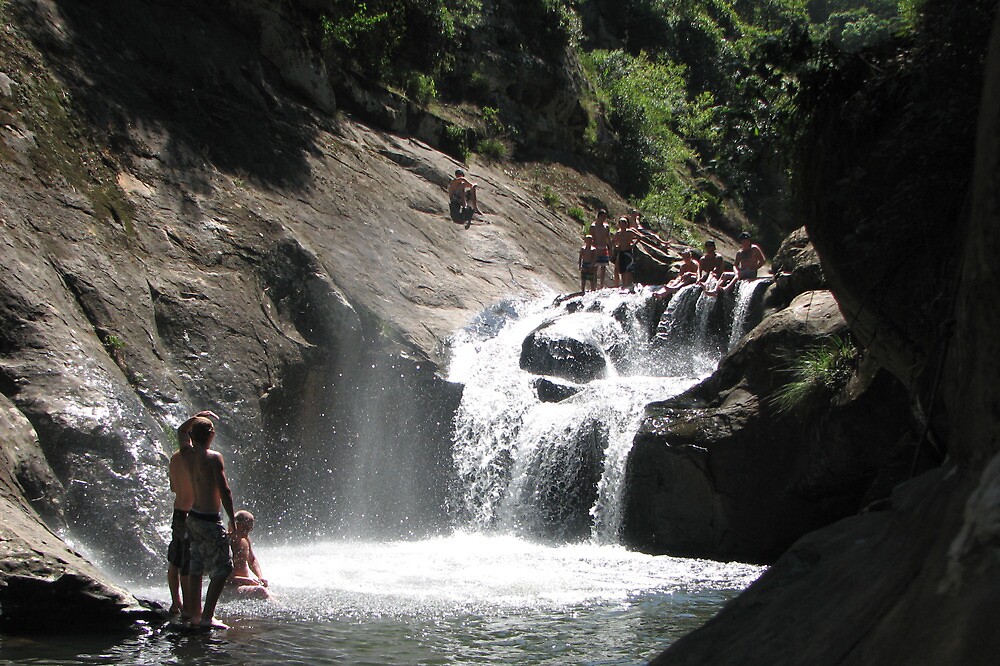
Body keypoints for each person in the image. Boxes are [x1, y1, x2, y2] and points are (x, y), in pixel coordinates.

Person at [181, 414, 237, 630]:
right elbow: (225, 490)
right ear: (211, 435)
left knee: (196, 566)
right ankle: (207, 616)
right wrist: (232, 518)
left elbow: (180, 431)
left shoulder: (186, 454)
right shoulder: (214, 458)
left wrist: (195, 418)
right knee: (223, 568)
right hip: (209, 519)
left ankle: (195, 614)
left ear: (192, 435)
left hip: (192, 518)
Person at [167, 410, 218, 619]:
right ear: (209, 435)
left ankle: (175, 602)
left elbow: (172, 487)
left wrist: (194, 418)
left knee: (175, 559)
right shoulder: (200, 460)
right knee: (190, 562)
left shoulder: (177, 457)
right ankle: (191, 608)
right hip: (194, 513)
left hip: (178, 512)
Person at [227, 510, 270, 600]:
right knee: (260, 591)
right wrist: (247, 580)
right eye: (244, 528)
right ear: (234, 524)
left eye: (250, 529)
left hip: (243, 584)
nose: (247, 532)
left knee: (270, 592)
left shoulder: (245, 539)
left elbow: (252, 559)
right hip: (229, 588)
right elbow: (223, 578)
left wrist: (260, 577)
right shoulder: (225, 543)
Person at [613, 217, 638, 290]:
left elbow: (639, 237)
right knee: (622, 270)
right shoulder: (618, 233)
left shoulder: (629, 232)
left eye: (623, 224)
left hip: (628, 252)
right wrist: (616, 246)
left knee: (629, 269)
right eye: (620, 224)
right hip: (621, 252)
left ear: (626, 224)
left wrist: (633, 244)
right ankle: (624, 285)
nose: (622, 225)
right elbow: (613, 241)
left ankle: (630, 285)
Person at [590, 209, 612, 289]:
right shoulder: (593, 226)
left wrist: (611, 248)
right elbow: (591, 239)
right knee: (595, 268)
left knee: (603, 268)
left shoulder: (606, 226)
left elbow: (608, 238)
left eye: (605, 217)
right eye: (603, 216)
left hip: (604, 248)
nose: (605, 218)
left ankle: (601, 285)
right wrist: (593, 249)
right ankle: (594, 286)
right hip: (596, 248)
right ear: (599, 216)